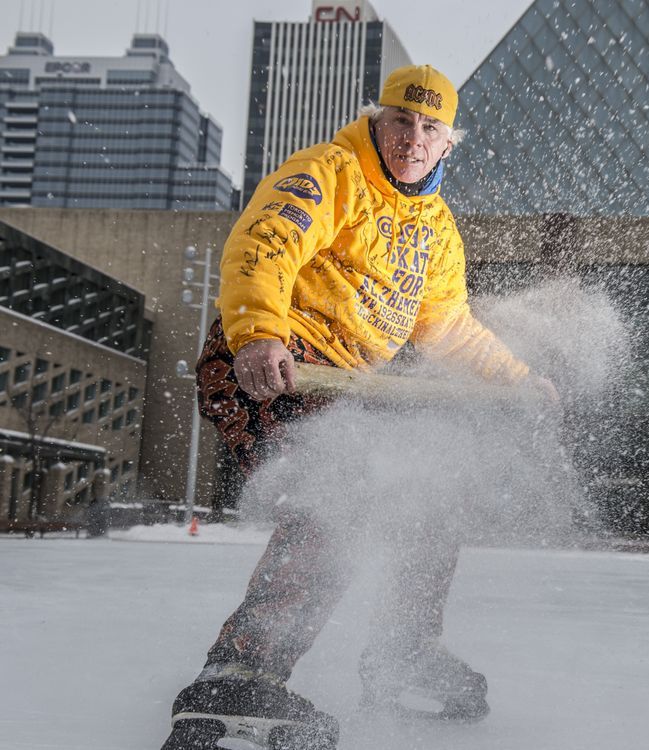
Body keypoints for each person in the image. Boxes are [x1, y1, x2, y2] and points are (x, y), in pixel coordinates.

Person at [160, 65, 556, 750]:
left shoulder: (436, 230)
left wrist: (518, 378)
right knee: (344, 491)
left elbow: (449, 327)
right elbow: (265, 247)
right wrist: (259, 333)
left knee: (424, 491)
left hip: (341, 391)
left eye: (430, 127)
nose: (413, 137)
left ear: (448, 144)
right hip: (266, 366)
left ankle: (405, 650)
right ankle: (241, 672)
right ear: (376, 121)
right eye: (401, 120)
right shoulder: (328, 172)